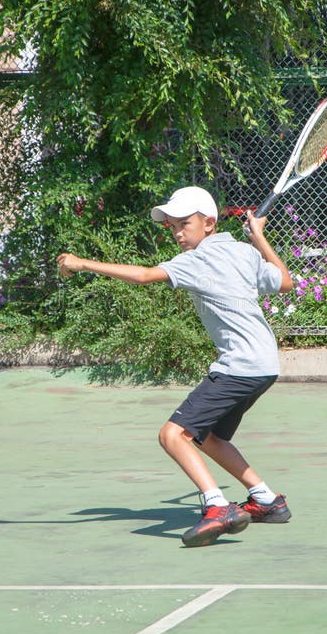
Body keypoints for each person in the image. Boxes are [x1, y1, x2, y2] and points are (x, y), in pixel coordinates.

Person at [57, 185, 294, 547]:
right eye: (172, 226)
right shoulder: (243, 252)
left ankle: (218, 506)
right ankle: (266, 500)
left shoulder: (198, 260)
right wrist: (259, 238)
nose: (178, 232)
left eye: (185, 223)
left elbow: (143, 276)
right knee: (208, 438)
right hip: (265, 365)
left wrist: (82, 263)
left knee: (172, 435)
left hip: (239, 365)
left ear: (210, 223)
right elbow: (285, 282)